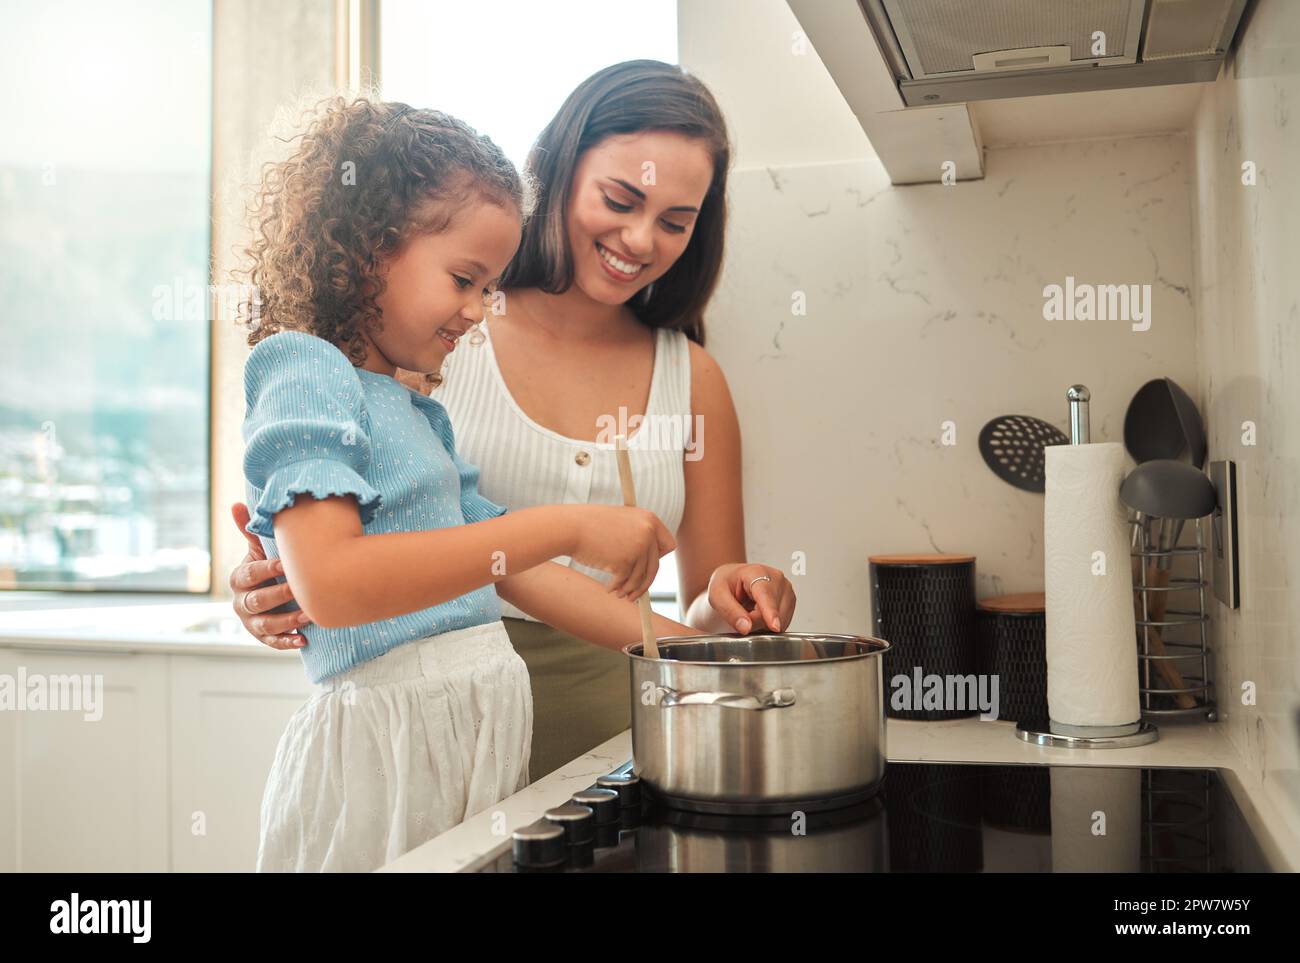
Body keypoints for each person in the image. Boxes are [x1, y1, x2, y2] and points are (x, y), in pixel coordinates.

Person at [236, 96, 694, 872]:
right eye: (466, 279)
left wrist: (706, 652)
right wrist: (568, 524)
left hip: (472, 745)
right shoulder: (304, 366)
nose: (479, 311)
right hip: (388, 758)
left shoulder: (420, 410)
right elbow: (334, 585)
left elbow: (513, 571)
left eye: (490, 287)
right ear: (370, 247)